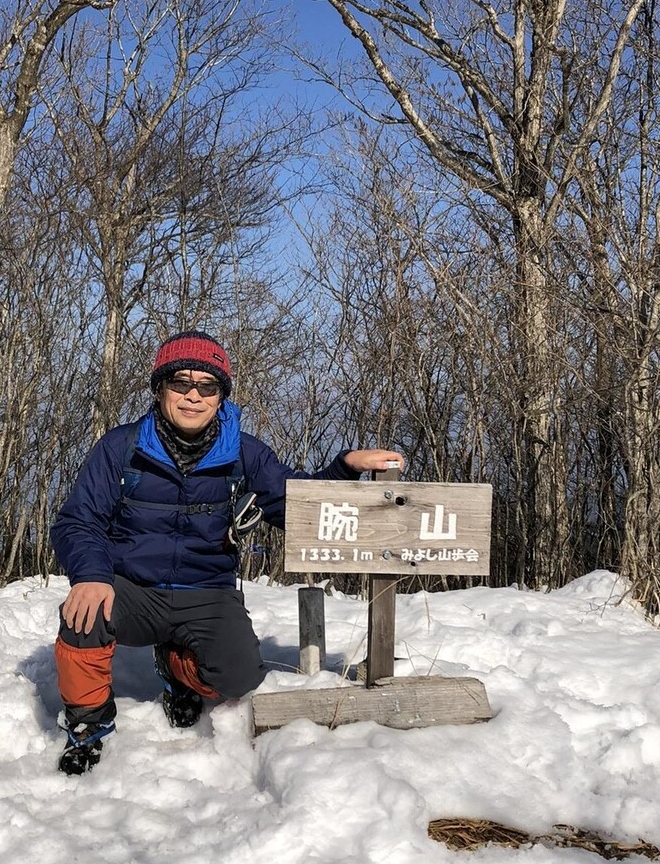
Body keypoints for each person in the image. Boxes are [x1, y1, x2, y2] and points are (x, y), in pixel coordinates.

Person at [50, 331, 404, 774]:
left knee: (238, 681)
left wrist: (342, 470)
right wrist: (91, 574)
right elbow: (77, 521)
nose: (193, 396)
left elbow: (294, 506)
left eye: (207, 386)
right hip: (131, 588)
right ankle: (89, 727)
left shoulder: (243, 453)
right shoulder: (121, 448)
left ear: (221, 396)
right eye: (180, 382)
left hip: (207, 592)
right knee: (83, 616)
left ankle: (177, 668)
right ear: (160, 390)